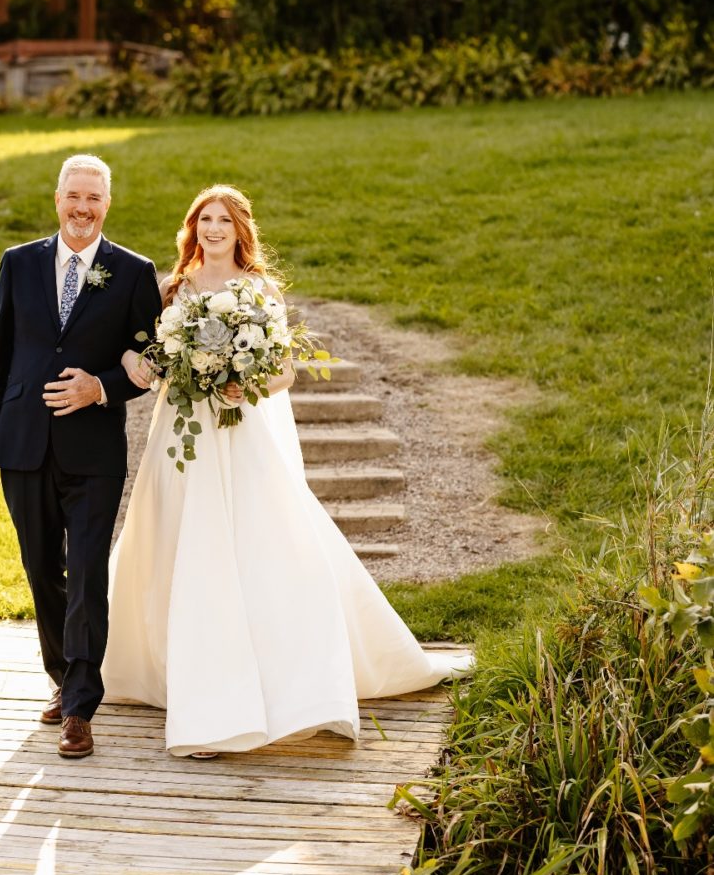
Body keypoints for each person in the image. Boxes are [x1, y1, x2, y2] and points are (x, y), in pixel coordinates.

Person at [102, 183, 469, 758]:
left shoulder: (259, 290)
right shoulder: (174, 288)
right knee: (179, 542)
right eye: (205, 220)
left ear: (240, 229)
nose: (213, 229)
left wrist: (238, 380)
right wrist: (146, 364)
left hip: (240, 431)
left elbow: (284, 376)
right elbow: (154, 362)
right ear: (193, 229)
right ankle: (184, 676)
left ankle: (291, 683)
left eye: (224, 220)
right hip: (184, 435)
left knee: (263, 545)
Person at [0, 153, 160, 760]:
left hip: (94, 449)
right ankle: (60, 676)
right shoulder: (18, 263)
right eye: (74, 197)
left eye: (94, 200)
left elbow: (152, 362)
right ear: (58, 199)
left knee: (87, 573)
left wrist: (100, 386)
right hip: (22, 441)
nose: (83, 209)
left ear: (108, 205)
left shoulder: (132, 272)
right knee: (41, 567)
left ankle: (80, 703)